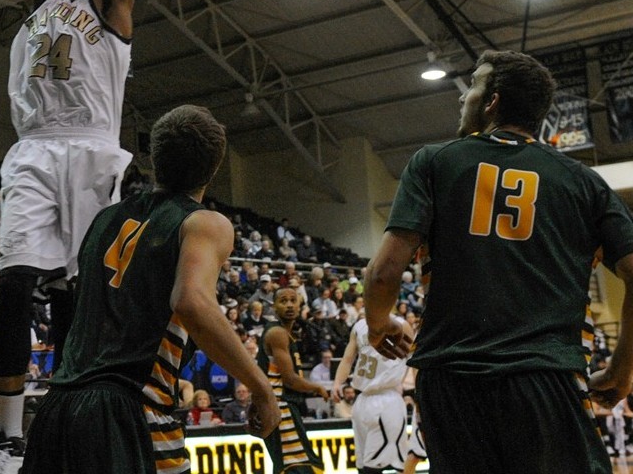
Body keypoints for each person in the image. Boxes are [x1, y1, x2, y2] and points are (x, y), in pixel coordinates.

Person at [365, 49, 633, 474]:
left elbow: (383, 274)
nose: (462, 97)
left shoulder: (434, 161)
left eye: (472, 85)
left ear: (492, 101)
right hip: (544, 374)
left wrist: (380, 324)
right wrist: (622, 369)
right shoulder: (584, 182)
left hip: (451, 379)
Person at [0, 0, 137, 451]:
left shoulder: (111, 11)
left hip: (90, 147)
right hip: (33, 148)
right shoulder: (42, 1)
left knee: (77, 299)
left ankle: (71, 412)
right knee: (15, 280)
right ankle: (9, 436)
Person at [20, 105, 279, 472]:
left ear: (152, 158)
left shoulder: (105, 220)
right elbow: (190, 301)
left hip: (59, 408)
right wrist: (261, 387)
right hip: (127, 411)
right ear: (215, 168)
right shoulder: (203, 223)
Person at [331, 311, 414, 474]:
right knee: (362, 466)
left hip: (387, 399)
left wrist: (411, 386)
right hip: (362, 399)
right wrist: (337, 383)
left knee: (378, 467)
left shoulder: (401, 325)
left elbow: (414, 358)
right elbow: (347, 359)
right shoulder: (359, 326)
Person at [259, 287, 328, 473]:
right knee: (300, 465)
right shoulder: (277, 333)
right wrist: (317, 388)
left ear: (300, 305)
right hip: (279, 405)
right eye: (283, 301)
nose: (289, 305)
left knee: (292, 466)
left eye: (293, 300)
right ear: (273, 306)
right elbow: (290, 379)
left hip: (280, 406)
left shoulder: (285, 333)